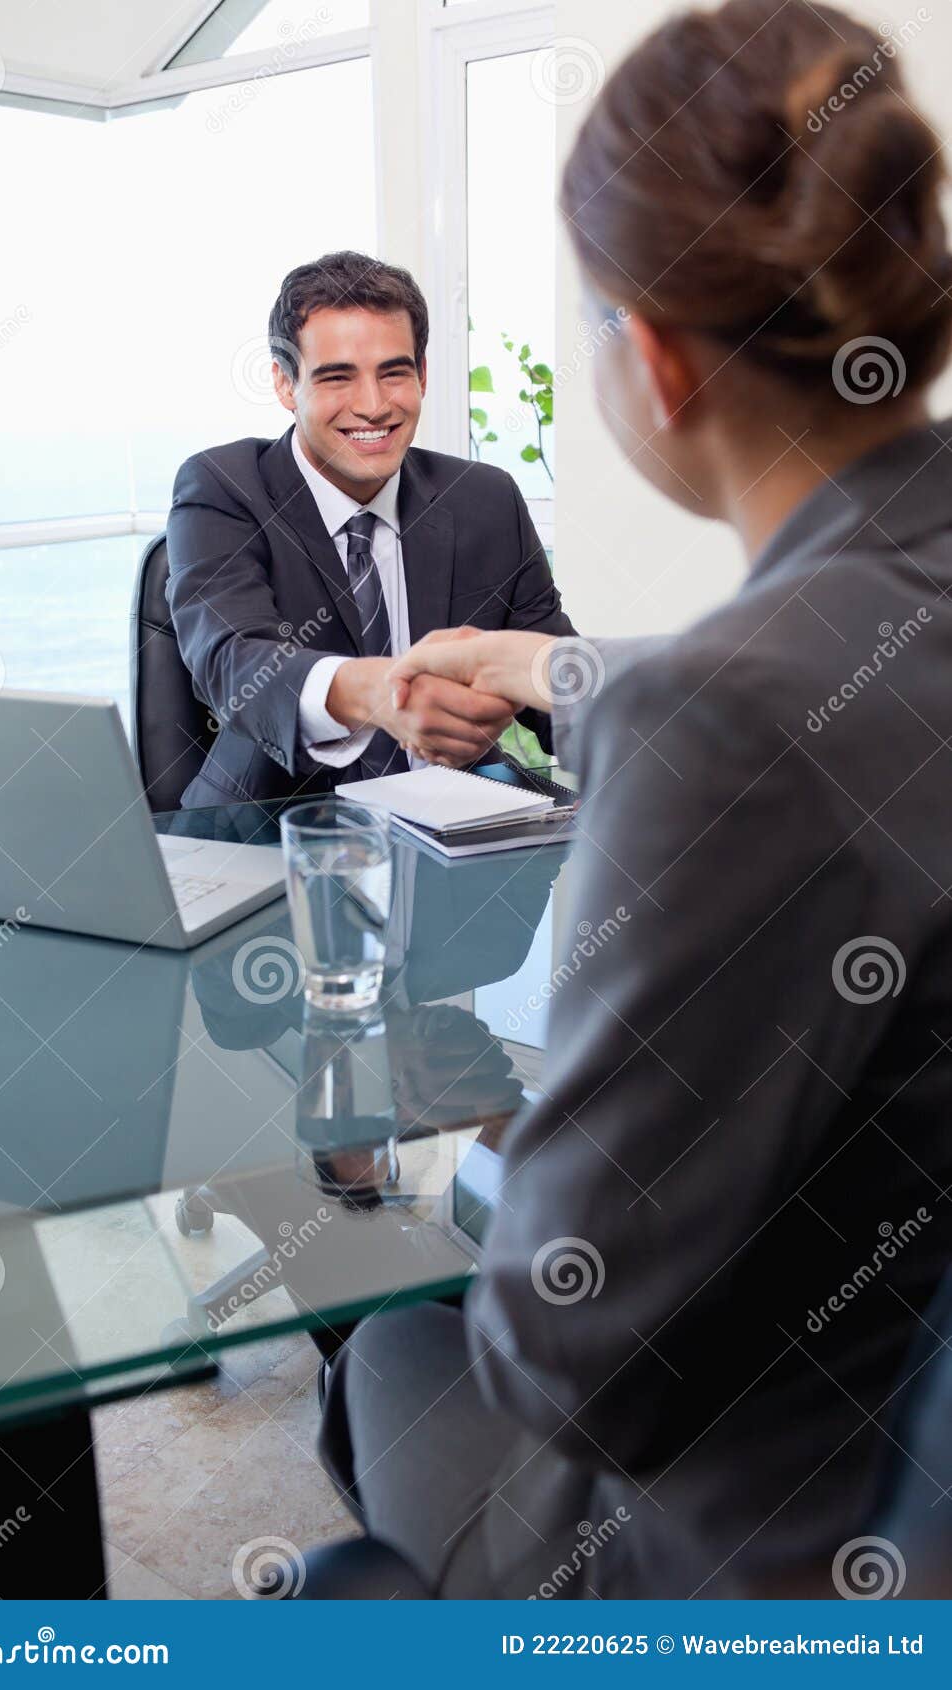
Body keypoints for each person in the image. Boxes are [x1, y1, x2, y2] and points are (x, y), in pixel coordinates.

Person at [317, 0, 952, 1598]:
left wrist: (501, 1144)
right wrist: (554, 665)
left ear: (652, 359)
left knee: (392, 1361)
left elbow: (565, 1355)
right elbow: (841, 684)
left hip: (776, 1544)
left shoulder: (723, 724)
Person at [165, 251, 574, 807]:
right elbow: (236, 660)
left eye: (394, 372)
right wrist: (386, 696)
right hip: (270, 834)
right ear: (286, 385)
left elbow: (558, 675)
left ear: (423, 375)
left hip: (458, 830)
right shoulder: (223, 488)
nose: (373, 406)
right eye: (337, 377)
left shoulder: (486, 499)